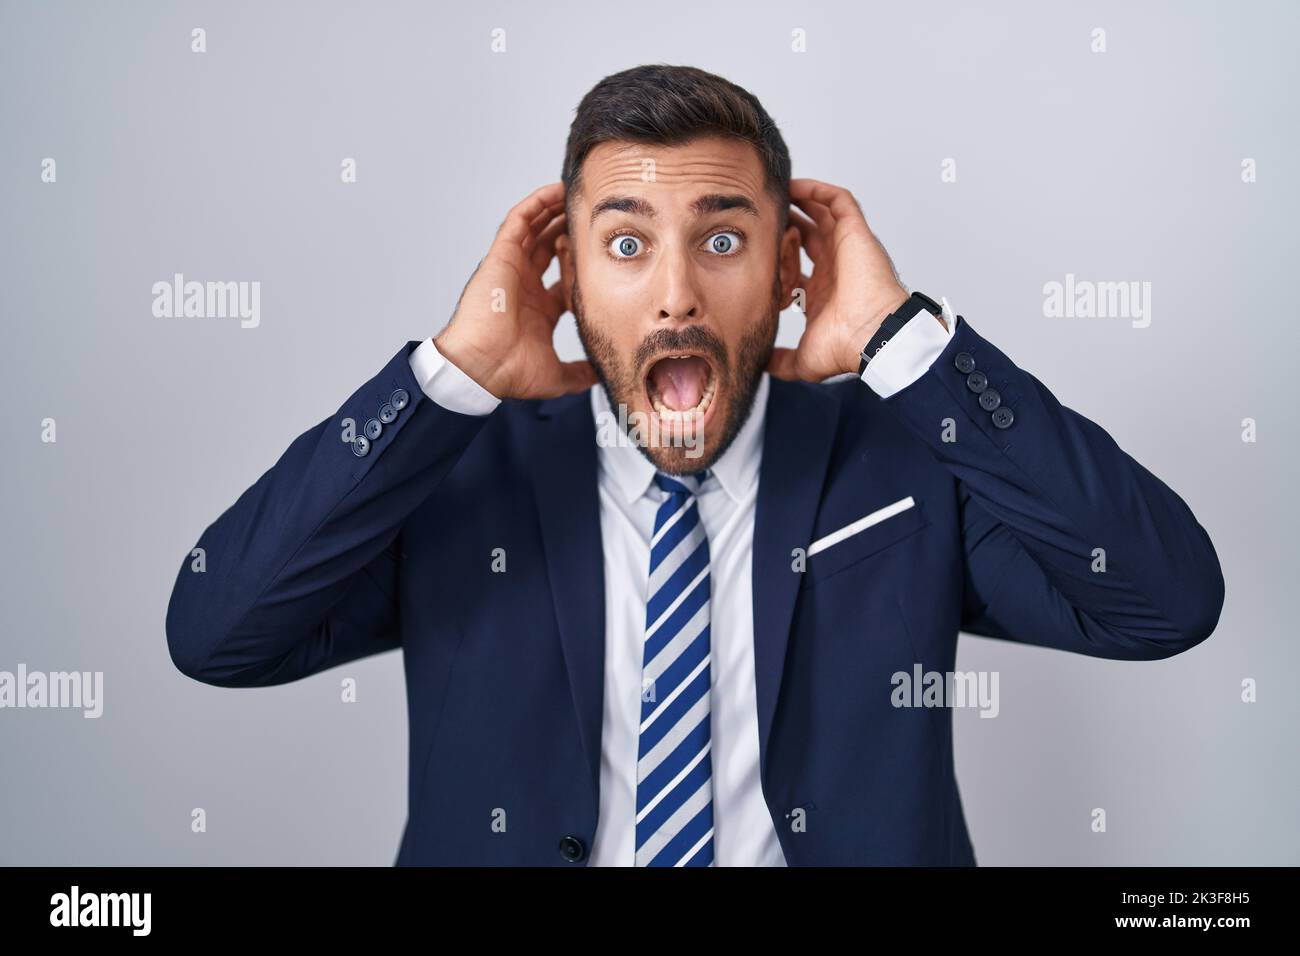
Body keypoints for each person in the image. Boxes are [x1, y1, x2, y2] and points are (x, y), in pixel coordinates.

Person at [165, 64, 1224, 866]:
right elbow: (216, 632)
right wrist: (447, 373)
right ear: (565, 276)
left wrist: (906, 345)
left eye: (722, 241)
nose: (675, 295)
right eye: (625, 245)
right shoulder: (453, 472)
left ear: (786, 268)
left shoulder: (904, 463)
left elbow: (1163, 600)